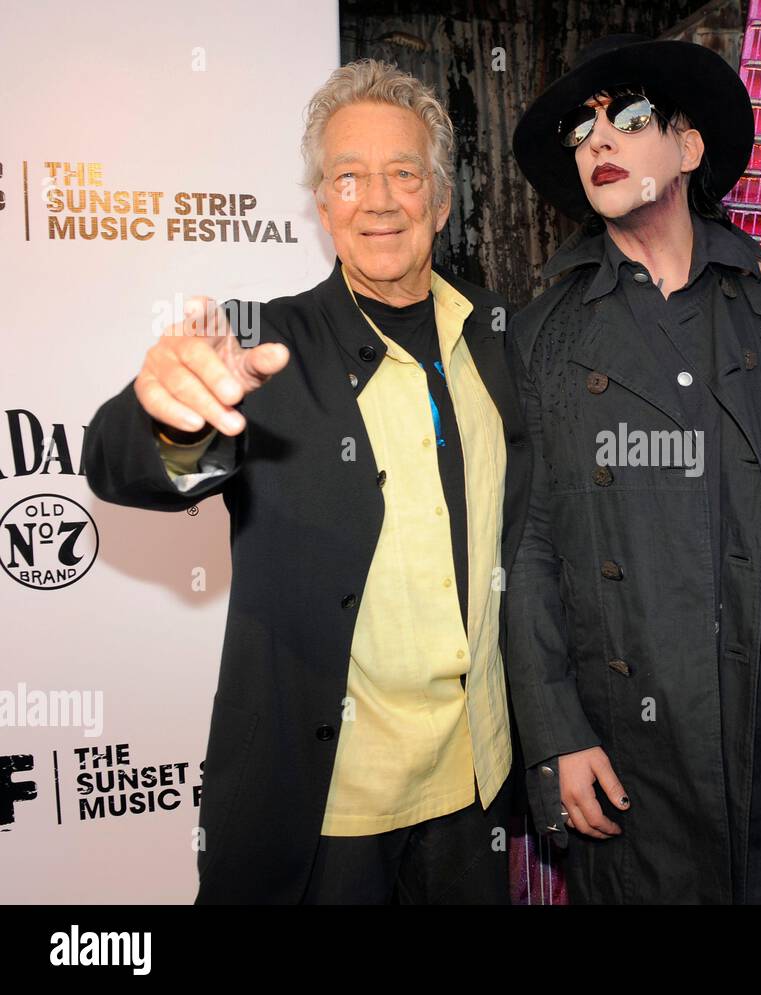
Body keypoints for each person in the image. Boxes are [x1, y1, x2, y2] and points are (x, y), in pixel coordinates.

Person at [82, 60, 529, 904]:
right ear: (323, 206)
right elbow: (123, 463)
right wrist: (171, 421)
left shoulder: (498, 335)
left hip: (476, 785)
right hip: (327, 803)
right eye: (348, 177)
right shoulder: (264, 345)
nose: (379, 199)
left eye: (404, 173)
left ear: (440, 198)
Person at [507, 34, 761, 904]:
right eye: (582, 131)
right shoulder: (542, 335)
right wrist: (556, 732)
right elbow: (527, 549)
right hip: (629, 742)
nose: (598, 141)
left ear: (687, 148)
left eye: (628, 118)